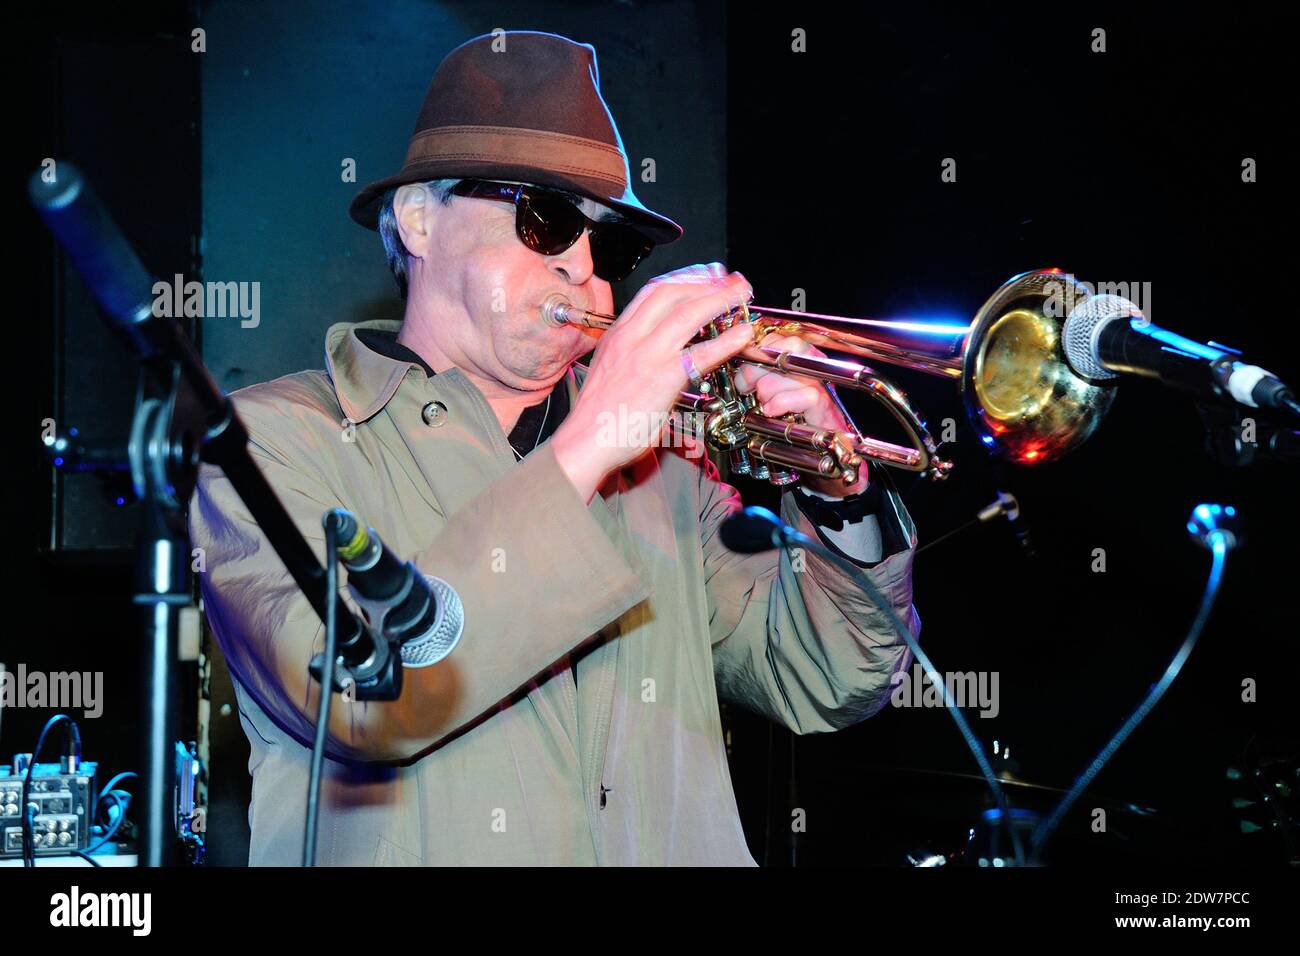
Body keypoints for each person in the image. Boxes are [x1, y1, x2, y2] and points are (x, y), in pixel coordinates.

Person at [189, 29, 920, 866]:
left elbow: (829, 678)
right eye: (547, 220)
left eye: (611, 245)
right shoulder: (264, 441)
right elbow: (359, 696)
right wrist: (592, 441)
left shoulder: (665, 474)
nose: (585, 269)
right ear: (419, 219)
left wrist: (843, 493)